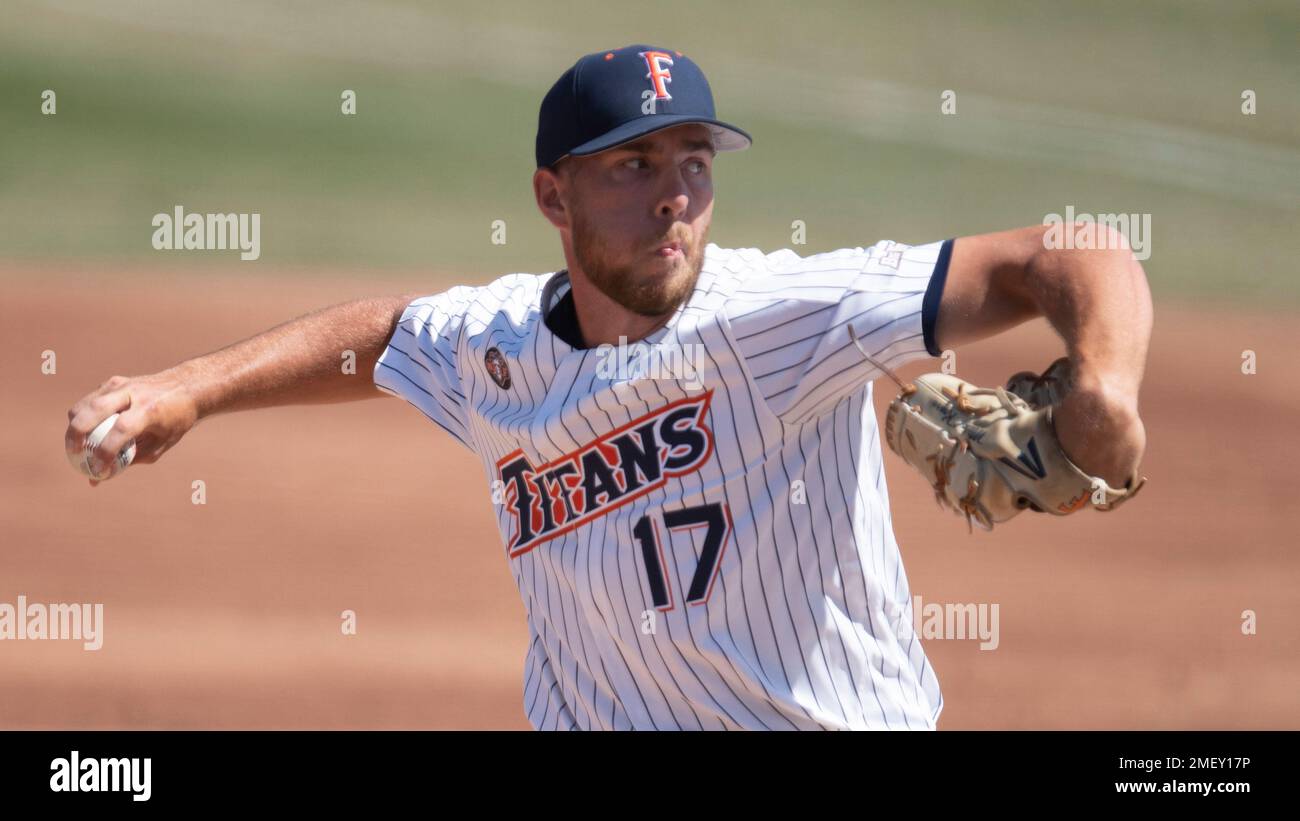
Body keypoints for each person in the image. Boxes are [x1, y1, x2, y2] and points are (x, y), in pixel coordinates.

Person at [64, 44, 1151, 729]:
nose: (673, 197)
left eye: (693, 163)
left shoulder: (787, 316)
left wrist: (1102, 386)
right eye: (633, 167)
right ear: (553, 194)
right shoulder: (493, 346)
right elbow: (385, 334)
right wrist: (190, 387)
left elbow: (1065, 253)